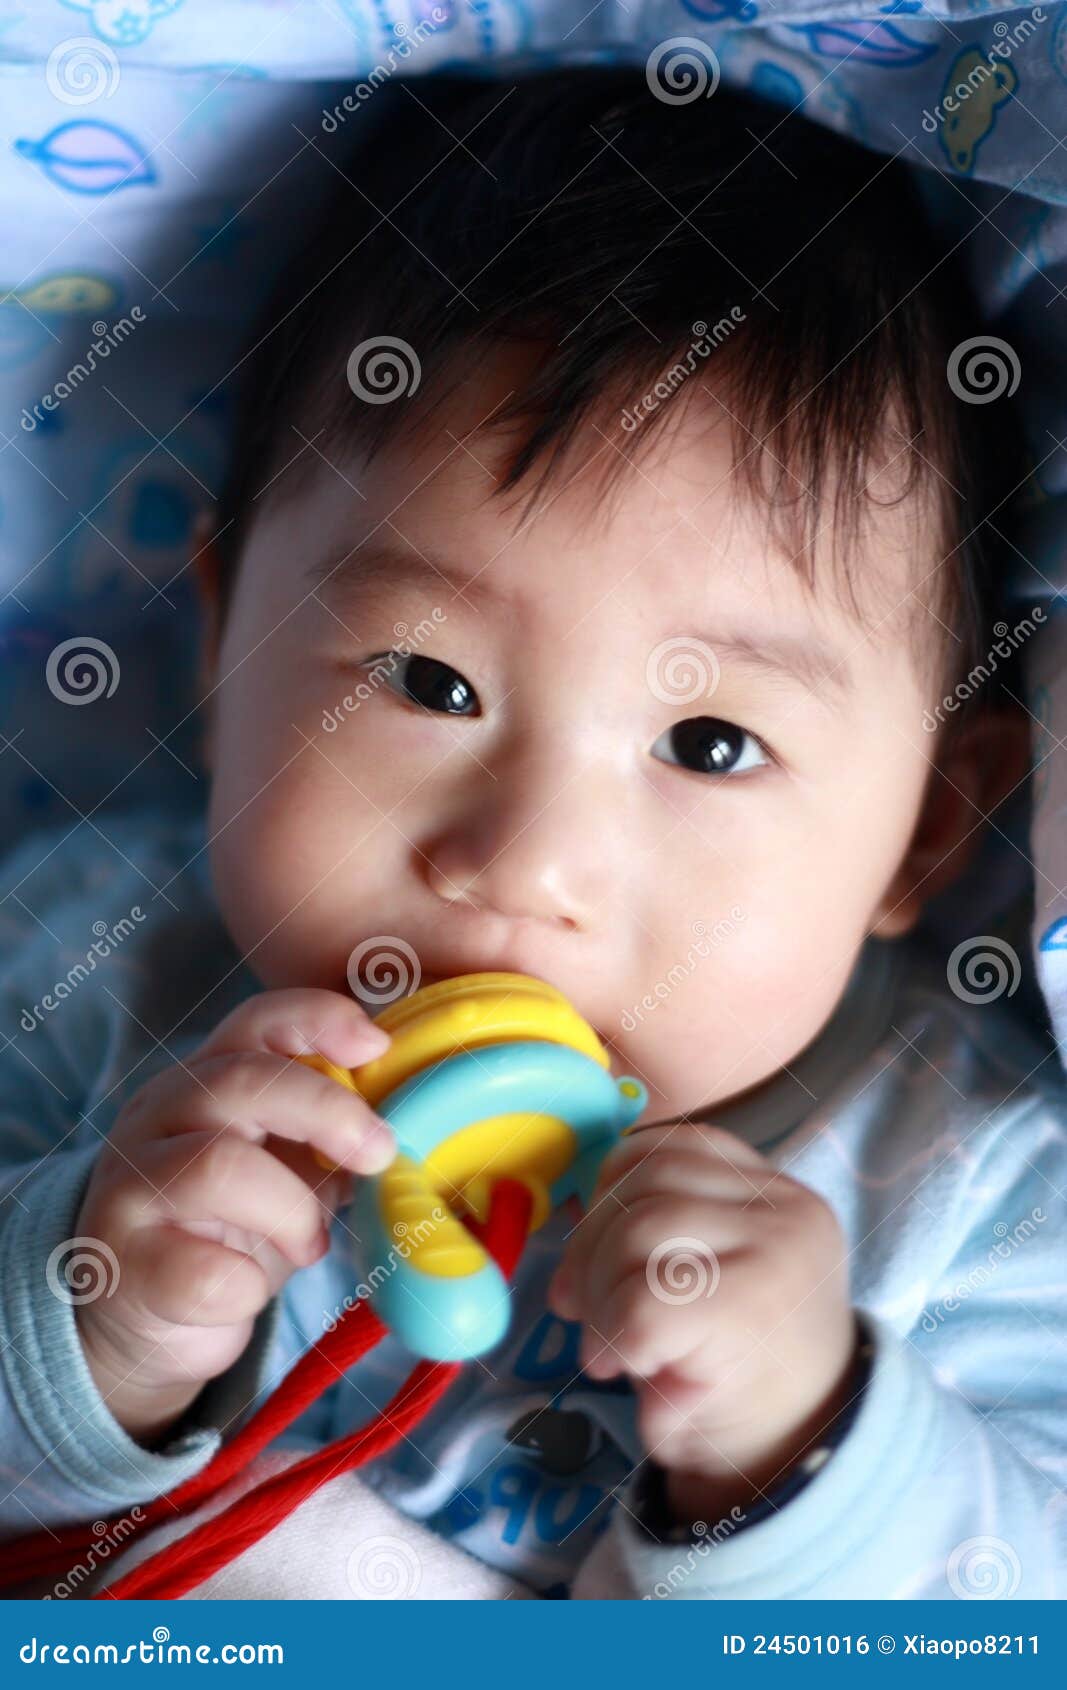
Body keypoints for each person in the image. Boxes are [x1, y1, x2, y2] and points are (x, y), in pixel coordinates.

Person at [1, 68, 1063, 1600]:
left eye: (710, 743)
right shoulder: (88, 966)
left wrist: (813, 1447)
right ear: (222, 637)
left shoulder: (972, 1192)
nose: (525, 861)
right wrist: (94, 1322)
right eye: (431, 680)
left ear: (927, 828)